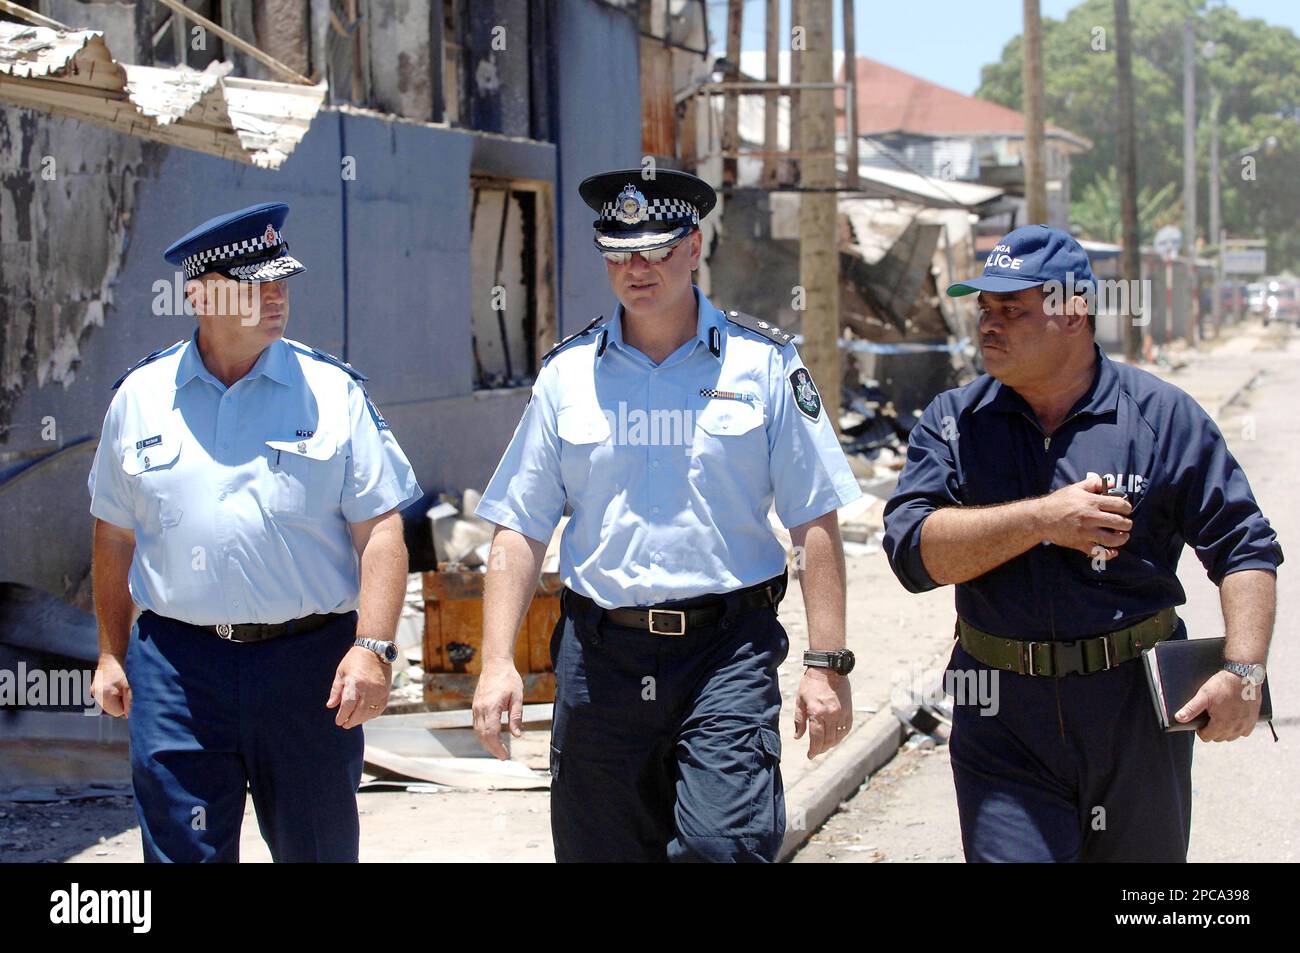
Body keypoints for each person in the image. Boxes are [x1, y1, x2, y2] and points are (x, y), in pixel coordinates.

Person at [470, 168, 862, 862]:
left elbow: (814, 520)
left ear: (693, 247)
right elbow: (522, 527)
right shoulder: (567, 375)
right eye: (618, 254)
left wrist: (826, 664)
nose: (636, 269)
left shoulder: (761, 364)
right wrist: (497, 660)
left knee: (723, 846)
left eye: (654, 250)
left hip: (725, 653)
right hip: (600, 658)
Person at [883, 224, 1283, 862]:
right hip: (1000, 714)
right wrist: (1042, 520)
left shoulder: (1162, 417)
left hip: (1134, 709)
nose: (989, 325)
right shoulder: (954, 422)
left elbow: (1243, 549)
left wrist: (1244, 670)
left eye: (1012, 309)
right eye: (984, 308)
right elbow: (914, 553)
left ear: (1073, 313)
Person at [88, 202, 421, 862]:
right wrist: (110, 652)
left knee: (317, 849)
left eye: (282, 281)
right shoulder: (141, 398)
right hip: (178, 670)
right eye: (255, 284)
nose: (277, 297)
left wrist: (374, 646)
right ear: (201, 293)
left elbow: (380, 529)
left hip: (307, 669)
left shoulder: (331, 393)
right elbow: (113, 536)